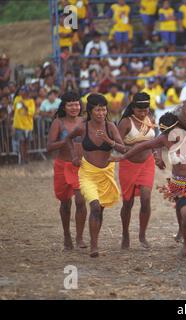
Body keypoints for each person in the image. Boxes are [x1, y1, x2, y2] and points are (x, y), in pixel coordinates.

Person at [110, 102, 186, 271]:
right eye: (167, 133)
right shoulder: (164, 137)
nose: (171, 136)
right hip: (181, 184)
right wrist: (123, 157)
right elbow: (144, 146)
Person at [65, 94, 126, 257]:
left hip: (106, 173)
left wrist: (109, 140)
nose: (101, 113)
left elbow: (123, 148)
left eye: (104, 109)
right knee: (95, 206)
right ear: (90, 111)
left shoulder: (111, 126)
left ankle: (94, 240)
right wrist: (74, 155)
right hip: (88, 173)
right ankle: (94, 247)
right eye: (98, 110)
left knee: (100, 210)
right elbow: (68, 140)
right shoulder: (82, 127)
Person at [47, 92, 87, 251]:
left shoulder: (85, 121)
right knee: (65, 203)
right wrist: (68, 138)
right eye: (70, 104)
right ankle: (67, 235)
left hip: (81, 166)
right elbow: (49, 147)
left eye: (76, 104)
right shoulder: (58, 122)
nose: (74, 107)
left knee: (80, 200)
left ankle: (79, 237)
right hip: (63, 165)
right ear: (64, 107)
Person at [117, 92, 158, 249]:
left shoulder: (151, 119)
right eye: (139, 110)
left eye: (145, 109)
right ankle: (125, 233)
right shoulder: (126, 123)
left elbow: (155, 142)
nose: (143, 112)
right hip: (128, 165)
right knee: (128, 203)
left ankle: (142, 234)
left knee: (146, 198)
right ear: (133, 108)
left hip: (147, 163)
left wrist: (157, 155)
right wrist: (132, 149)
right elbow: (118, 145)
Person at [12, 86, 35, 164]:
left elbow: (32, 112)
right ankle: (22, 160)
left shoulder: (31, 101)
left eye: (23, 91)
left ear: (26, 92)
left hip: (28, 126)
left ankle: (26, 158)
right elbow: (15, 108)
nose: (21, 92)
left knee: (27, 143)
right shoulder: (17, 99)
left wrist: (24, 105)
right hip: (19, 125)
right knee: (21, 142)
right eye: (20, 90)